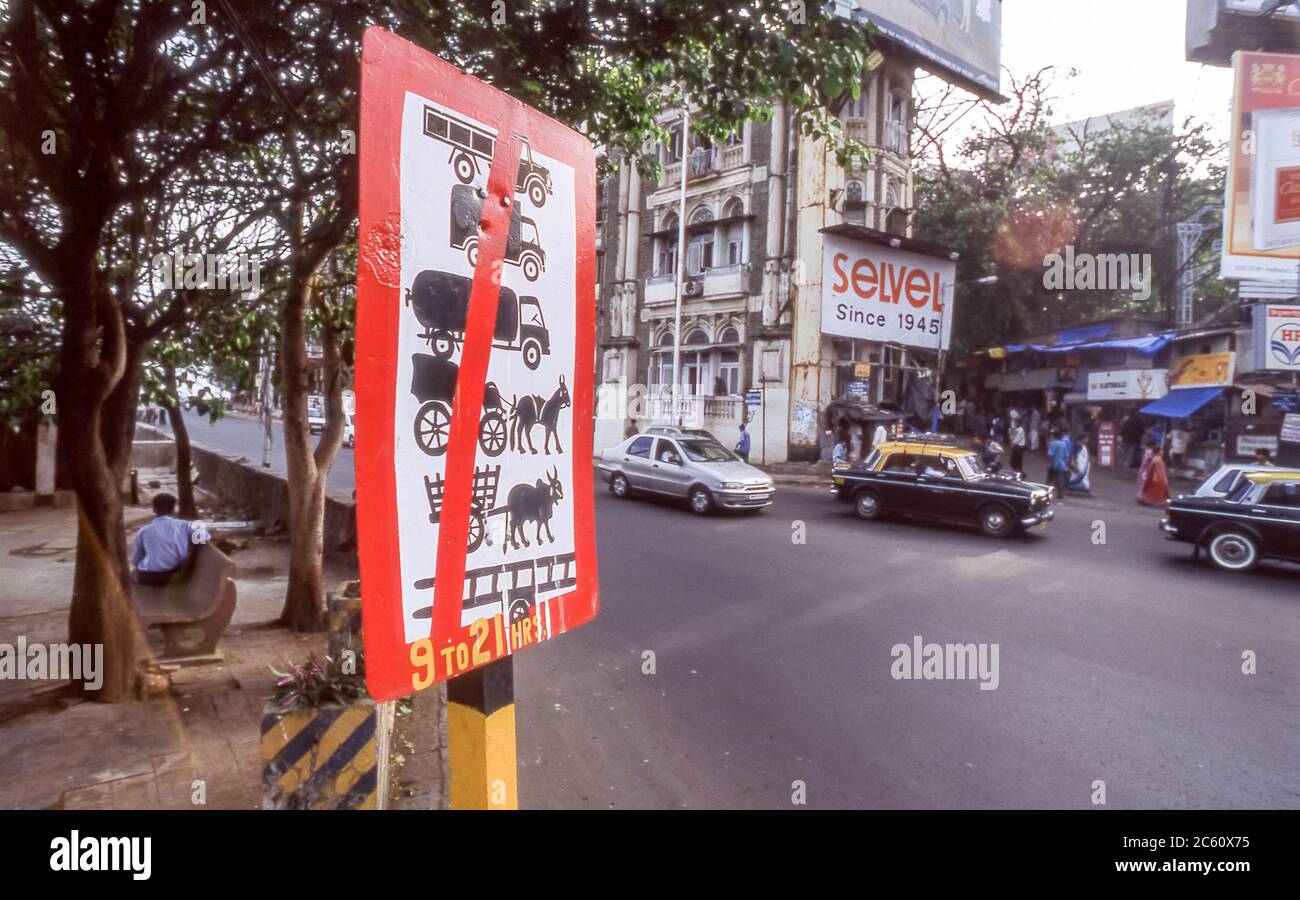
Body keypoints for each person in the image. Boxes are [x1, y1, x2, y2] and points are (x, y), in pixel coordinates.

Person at [131, 493, 194, 586]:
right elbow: (204, 537)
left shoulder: (144, 531)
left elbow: (135, 561)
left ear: (154, 509)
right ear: (173, 509)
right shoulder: (187, 525)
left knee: (133, 573)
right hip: (174, 576)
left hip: (147, 577)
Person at [1046, 429, 1070, 501]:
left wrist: (1049, 463)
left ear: (1054, 436)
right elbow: (1066, 456)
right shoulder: (1063, 444)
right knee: (1060, 480)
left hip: (1053, 464)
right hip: (1061, 464)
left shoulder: (1052, 443)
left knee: (1049, 479)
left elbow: (1050, 455)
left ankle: (1047, 492)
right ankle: (1060, 493)